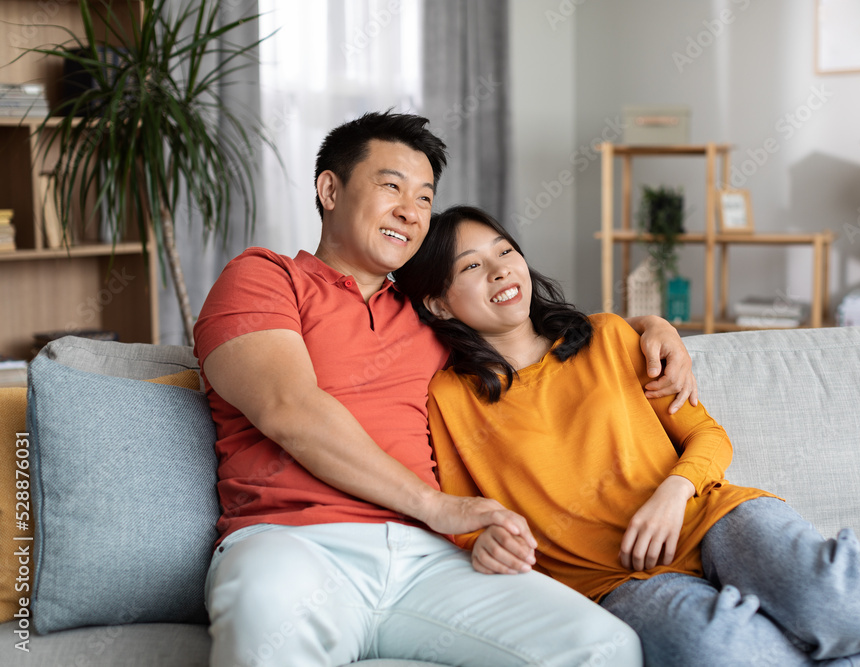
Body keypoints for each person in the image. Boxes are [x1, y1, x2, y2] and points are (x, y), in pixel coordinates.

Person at [392, 204, 860, 667]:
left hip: (707, 517)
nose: (502, 270)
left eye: (505, 251)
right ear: (439, 304)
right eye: (472, 266)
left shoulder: (609, 337)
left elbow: (707, 436)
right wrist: (483, 543)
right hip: (612, 580)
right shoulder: (448, 397)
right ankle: (828, 592)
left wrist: (672, 491)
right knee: (720, 647)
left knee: (833, 597)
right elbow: (465, 512)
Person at [193, 111, 697, 666]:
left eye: (425, 198)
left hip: (425, 561)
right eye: (391, 187)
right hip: (295, 544)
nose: (411, 212)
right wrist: (437, 507)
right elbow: (289, 409)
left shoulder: (430, 312)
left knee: (603, 646)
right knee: (266, 610)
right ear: (330, 189)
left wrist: (652, 328)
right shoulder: (265, 276)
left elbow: (539, 336)